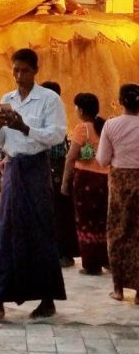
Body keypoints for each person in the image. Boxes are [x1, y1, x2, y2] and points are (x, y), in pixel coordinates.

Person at [0, 49, 67, 320]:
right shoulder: (7, 99)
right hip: (14, 168)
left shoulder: (49, 100)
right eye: (15, 70)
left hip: (37, 168)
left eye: (24, 70)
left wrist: (24, 127)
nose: (19, 76)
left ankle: (47, 298)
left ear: (35, 71)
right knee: (7, 231)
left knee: (39, 230)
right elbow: (1, 140)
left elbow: (56, 135)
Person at [97, 83, 139, 303]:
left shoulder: (111, 126)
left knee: (117, 232)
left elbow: (103, 159)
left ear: (120, 101)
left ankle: (119, 288)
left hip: (120, 182)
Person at [61, 93, 108, 275]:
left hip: (86, 178)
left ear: (80, 109)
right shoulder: (103, 127)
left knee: (86, 222)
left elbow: (71, 158)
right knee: (102, 220)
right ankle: (106, 259)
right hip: (104, 178)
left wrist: (65, 183)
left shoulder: (82, 129)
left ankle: (91, 263)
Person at [41, 81, 79, 268]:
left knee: (56, 213)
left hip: (52, 172)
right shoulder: (56, 115)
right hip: (56, 172)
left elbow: (56, 151)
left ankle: (60, 253)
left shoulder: (51, 117)